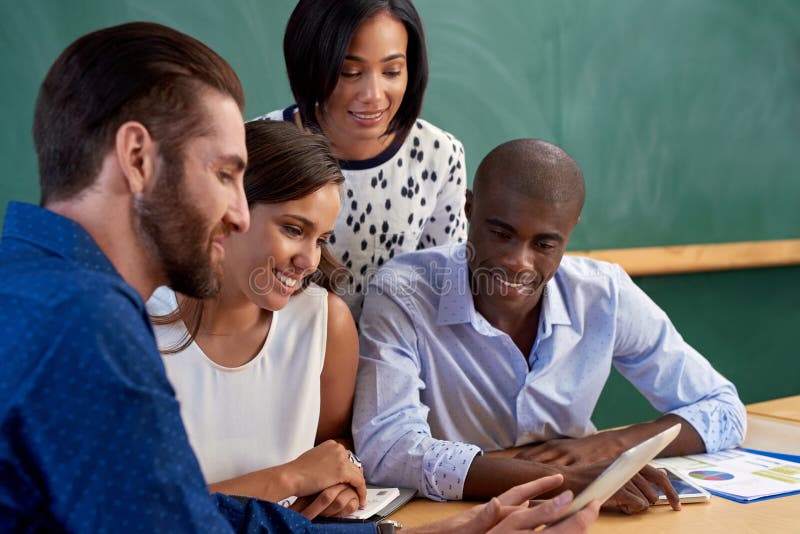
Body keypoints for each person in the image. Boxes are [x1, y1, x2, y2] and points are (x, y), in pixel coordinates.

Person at [0, 22, 598, 533]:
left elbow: (196, 517)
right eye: (225, 174)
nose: (235, 212)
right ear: (137, 159)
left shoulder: (37, 280)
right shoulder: (82, 320)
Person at [353, 138, 745, 512]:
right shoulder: (403, 292)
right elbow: (389, 449)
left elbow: (723, 410)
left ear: (570, 231)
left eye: (544, 245)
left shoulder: (603, 294)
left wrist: (610, 447)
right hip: (461, 517)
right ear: (468, 211)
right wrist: (566, 479)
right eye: (501, 233)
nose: (518, 261)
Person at [149, 119, 367, 519]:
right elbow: (141, 512)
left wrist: (339, 483)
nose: (309, 260)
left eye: (320, 239)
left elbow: (332, 446)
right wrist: (286, 480)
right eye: (292, 229)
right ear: (229, 210)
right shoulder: (136, 326)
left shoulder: (326, 324)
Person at [257, 0, 468, 320]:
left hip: (393, 353)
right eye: (349, 72)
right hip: (279, 350)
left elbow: (447, 293)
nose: (373, 94)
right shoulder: (257, 147)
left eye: (392, 71)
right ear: (311, 65)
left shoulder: (439, 155)